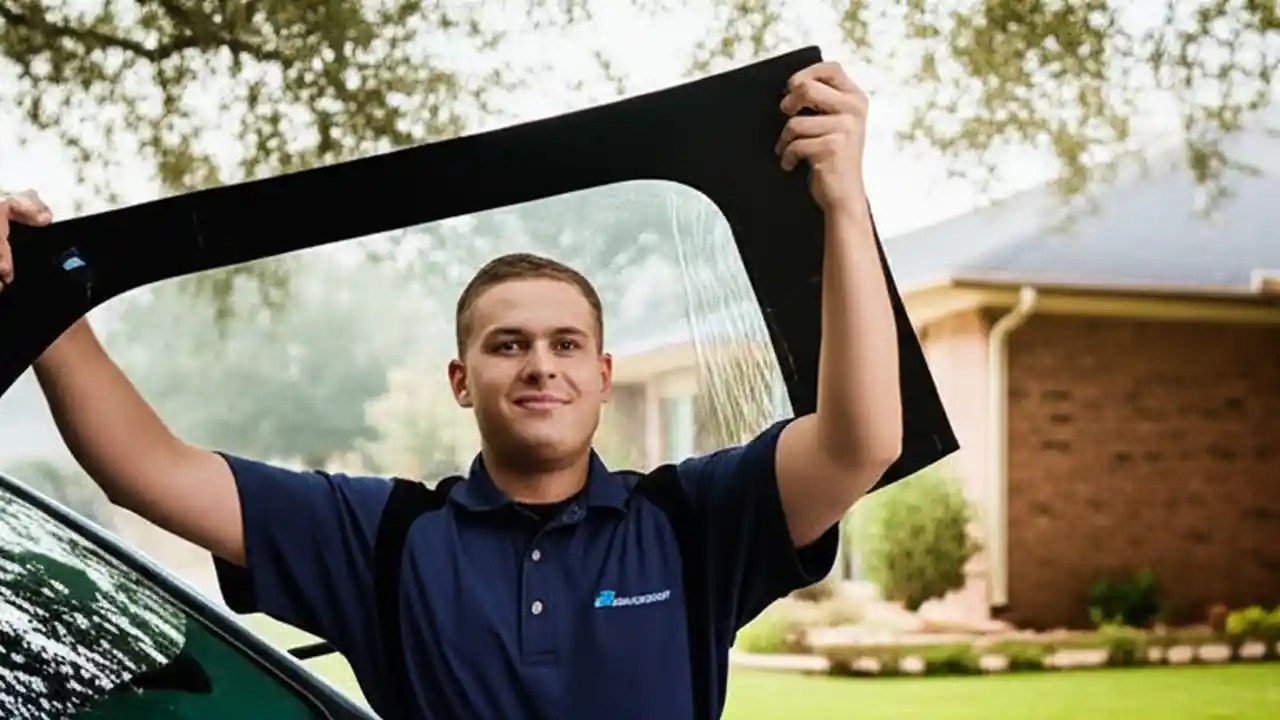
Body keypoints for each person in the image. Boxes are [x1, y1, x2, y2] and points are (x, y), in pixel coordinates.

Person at [0, 60, 901, 719]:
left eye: (566, 343)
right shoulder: (380, 538)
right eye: (508, 345)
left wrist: (845, 204)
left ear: (602, 376)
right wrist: (39, 301)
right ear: (462, 381)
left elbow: (861, 442)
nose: (541, 364)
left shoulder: (694, 520)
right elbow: (145, 469)